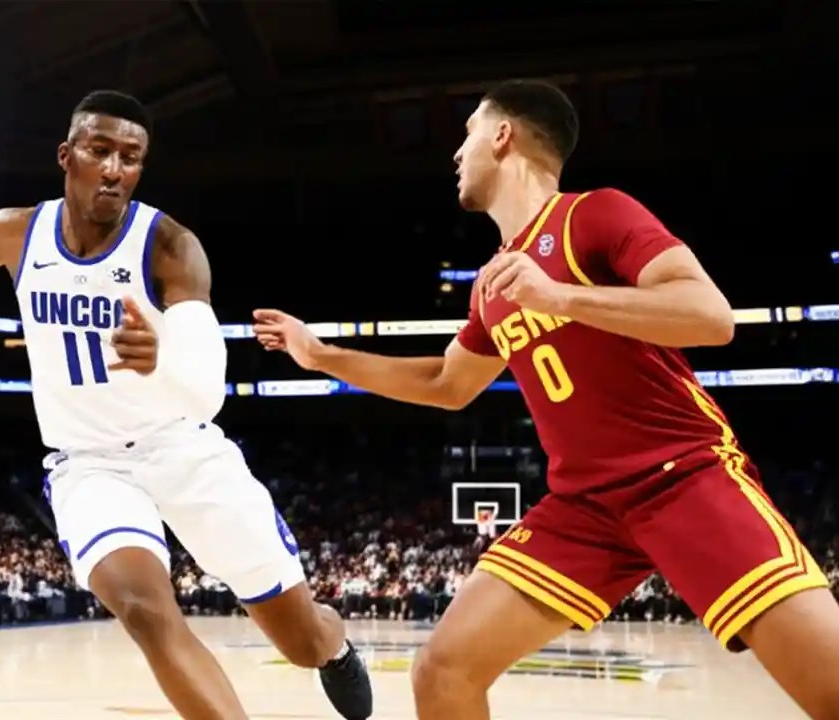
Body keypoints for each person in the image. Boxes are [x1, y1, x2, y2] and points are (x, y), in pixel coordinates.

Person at [252, 79, 839, 720]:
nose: (456, 154)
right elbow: (446, 385)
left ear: (502, 135)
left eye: (468, 132)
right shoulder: (494, 282)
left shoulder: (594, 214)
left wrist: (562, 297)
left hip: (680, 474)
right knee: (443, 671)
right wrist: (321, 356)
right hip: (583, 506)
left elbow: (710, 315)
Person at [0, 90, 371, 720]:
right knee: (146, 612)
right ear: (68, 155)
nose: (116, 168)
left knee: (300, 638)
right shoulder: (18, 231)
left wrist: (162, 356)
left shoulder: (170, 245)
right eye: (101, 151)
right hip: (89, 465)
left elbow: (207, 389)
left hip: (184, 448)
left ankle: (333, 644)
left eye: (132, 157)